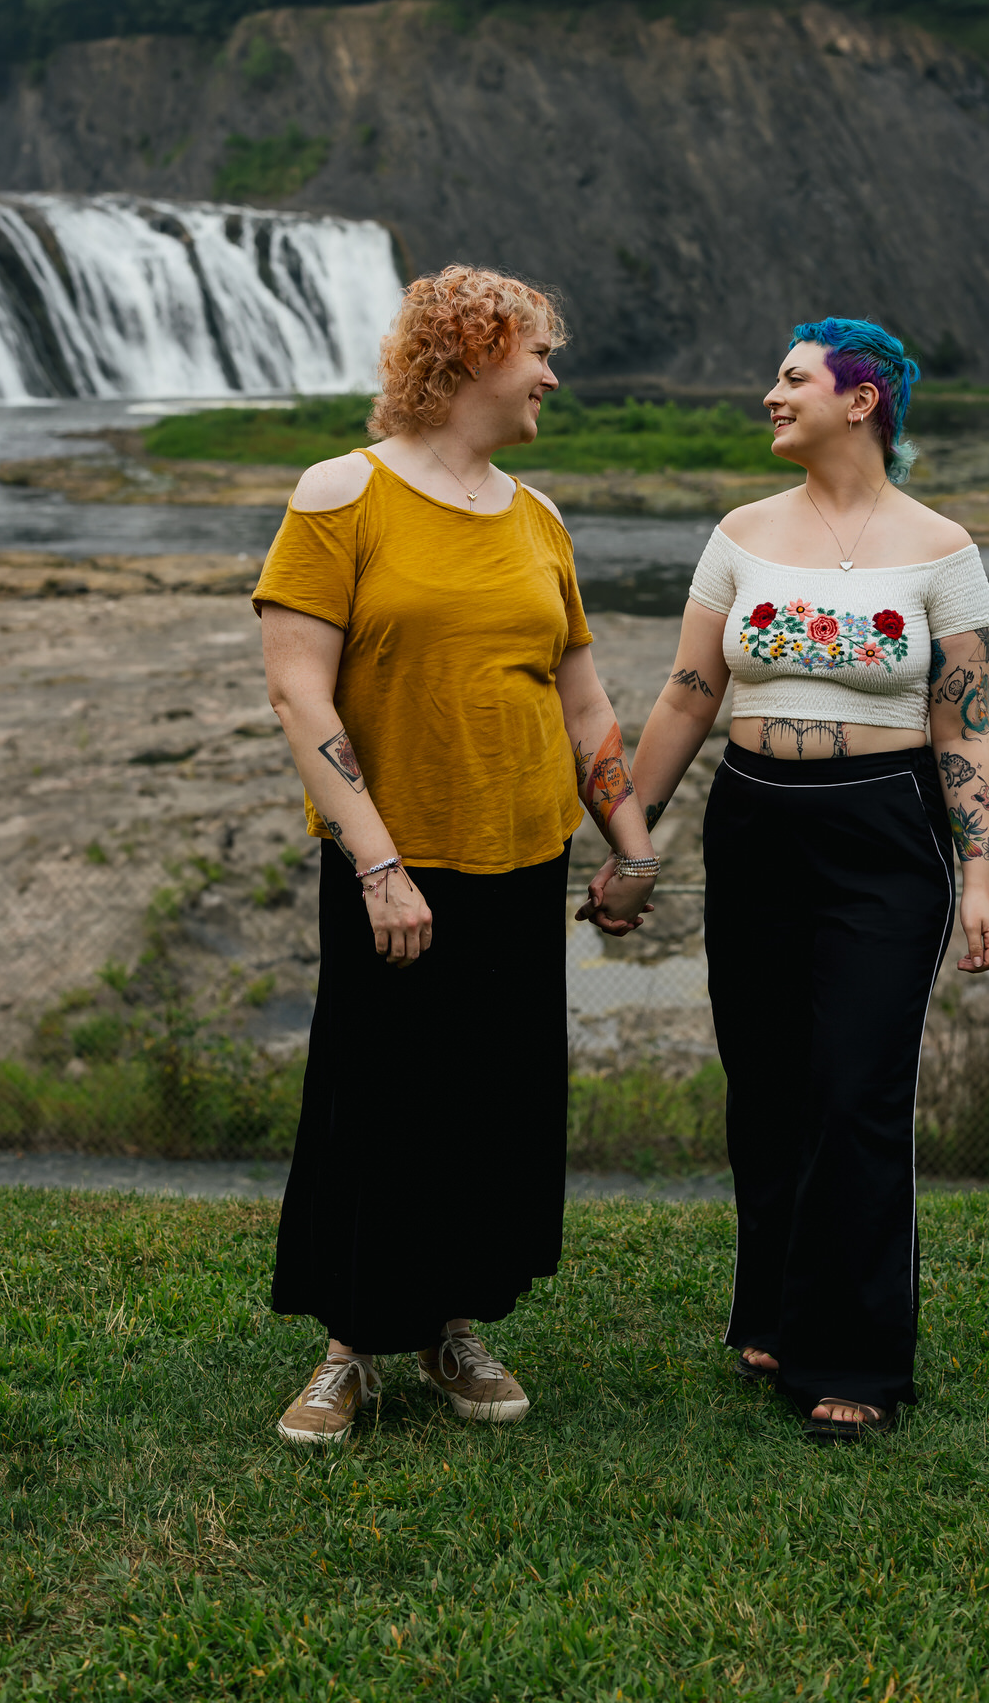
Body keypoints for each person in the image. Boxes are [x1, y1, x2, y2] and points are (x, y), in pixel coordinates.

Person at [253, 264, 660, 1447]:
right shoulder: (341, 494)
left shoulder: (537, 518)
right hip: (398, 864)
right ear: (472, 353)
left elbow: (585, 706)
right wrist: (376, 862)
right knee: (376, 1101)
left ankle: (452, 1326)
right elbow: (296, 689)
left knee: (494, 1104)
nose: (550, 374)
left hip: (522, 858)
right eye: (537, 350)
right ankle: (345, 1348)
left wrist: (628, 845)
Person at [601, 317, 989, 1441]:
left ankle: (859, 1356)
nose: (768, 396)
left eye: (790, 379)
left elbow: (961, 725)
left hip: (885, 834)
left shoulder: (941, 549)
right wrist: (635, 846)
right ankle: (775, 1308)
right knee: (768, 1083)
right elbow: (687, 693)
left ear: (859, 398)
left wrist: (977, 873)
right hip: (753, 821)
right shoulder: (739, 533)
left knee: (855, 1089)